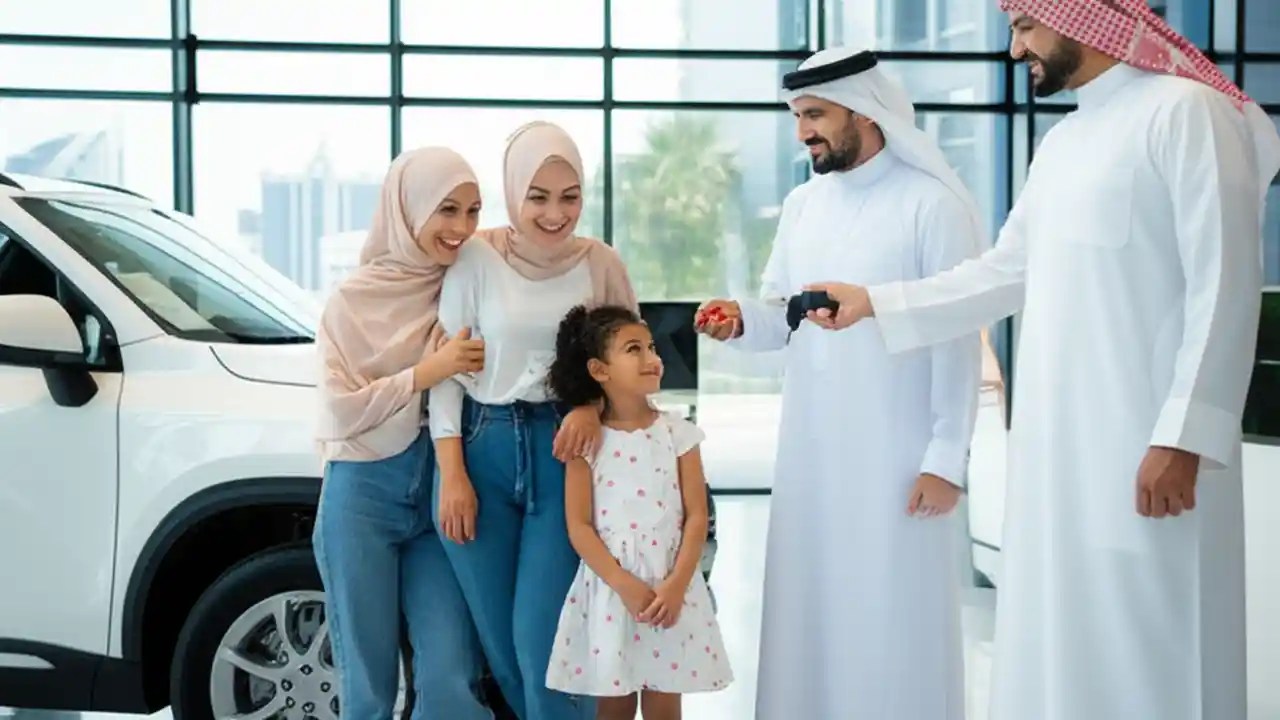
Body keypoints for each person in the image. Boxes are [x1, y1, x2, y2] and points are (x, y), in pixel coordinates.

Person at [804, 3, 1280, 719]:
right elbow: (1001, 273)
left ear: (1084, 16)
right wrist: (876, 301)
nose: (1014, 47)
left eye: (1027, 25)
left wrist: (1183, 434)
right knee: (1064, 645)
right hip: (1060, 456)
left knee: (1157, 642)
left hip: (1149, 448)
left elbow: (1227, 282)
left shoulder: (1188, 114)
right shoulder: (1062, 144)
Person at [695, 46, 984, 719]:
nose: (803, 132)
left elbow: (957, 334)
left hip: (899, 460)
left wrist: (946, 458)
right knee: (813, 617)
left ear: (864, 111)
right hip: (813, 459)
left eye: (815, 114)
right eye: (797, 116)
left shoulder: (932, 206)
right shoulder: (803, 205)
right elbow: (785, 318)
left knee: (892, 620)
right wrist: (742, 323)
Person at [429, 121, 639, 720]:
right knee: (504, 654)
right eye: (538, 197)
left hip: (564, 454)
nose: (555, 214)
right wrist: (453, 474)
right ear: (513, 191)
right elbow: (447, 367)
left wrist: (585, 403)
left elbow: (628, 360)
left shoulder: (600, 263)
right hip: (481, 447)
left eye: (569, 197)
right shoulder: (474, 258)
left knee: (542, 644)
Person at [313, 146, 493, 719]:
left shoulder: (465, 286)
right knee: (368, 687)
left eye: (473, 210)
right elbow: (341, 412)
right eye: (447, 210)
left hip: (441, 493)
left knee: (450, 679)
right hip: (362, 494)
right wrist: (426, 373)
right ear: (408, 208)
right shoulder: (350, 302)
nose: (462, 228)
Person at [542, 304, 733, 720]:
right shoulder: (585, 443)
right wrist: (623, 585)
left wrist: (678, 584)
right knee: (614, 705)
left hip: (671, 587)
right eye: (634, 349)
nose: (652, 358)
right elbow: (579, 526)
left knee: (666, 705)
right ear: (599, 369)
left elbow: (697, 516)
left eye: (650, 347)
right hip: (613, 592)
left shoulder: (678, 433)